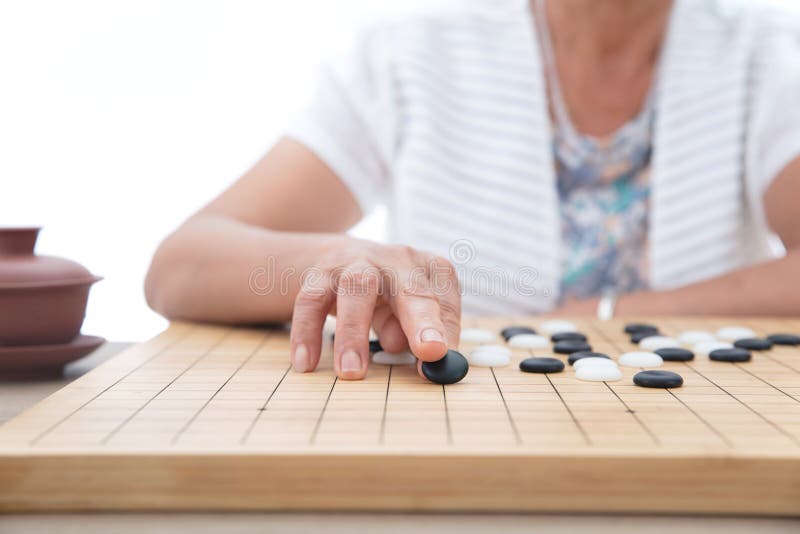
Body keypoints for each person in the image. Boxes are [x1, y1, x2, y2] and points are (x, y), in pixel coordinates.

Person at [144, 0, 800, 382]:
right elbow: (181, 266)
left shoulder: (765, 57)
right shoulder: (408, 52)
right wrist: (334, 260)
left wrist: (607, 308)